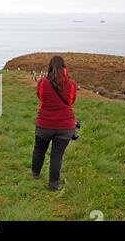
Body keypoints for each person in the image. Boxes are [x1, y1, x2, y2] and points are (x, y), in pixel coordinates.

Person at [32, 56, 77, 191]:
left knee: (39, 149)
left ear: (50, 67)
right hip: (65, 127)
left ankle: (35, 174)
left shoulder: (42, 82)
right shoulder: (72, 84)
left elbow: (40, 97)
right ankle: (53, 185)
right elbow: (70, 102)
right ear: (64, 67)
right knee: (57, 155)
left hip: (44, 124)